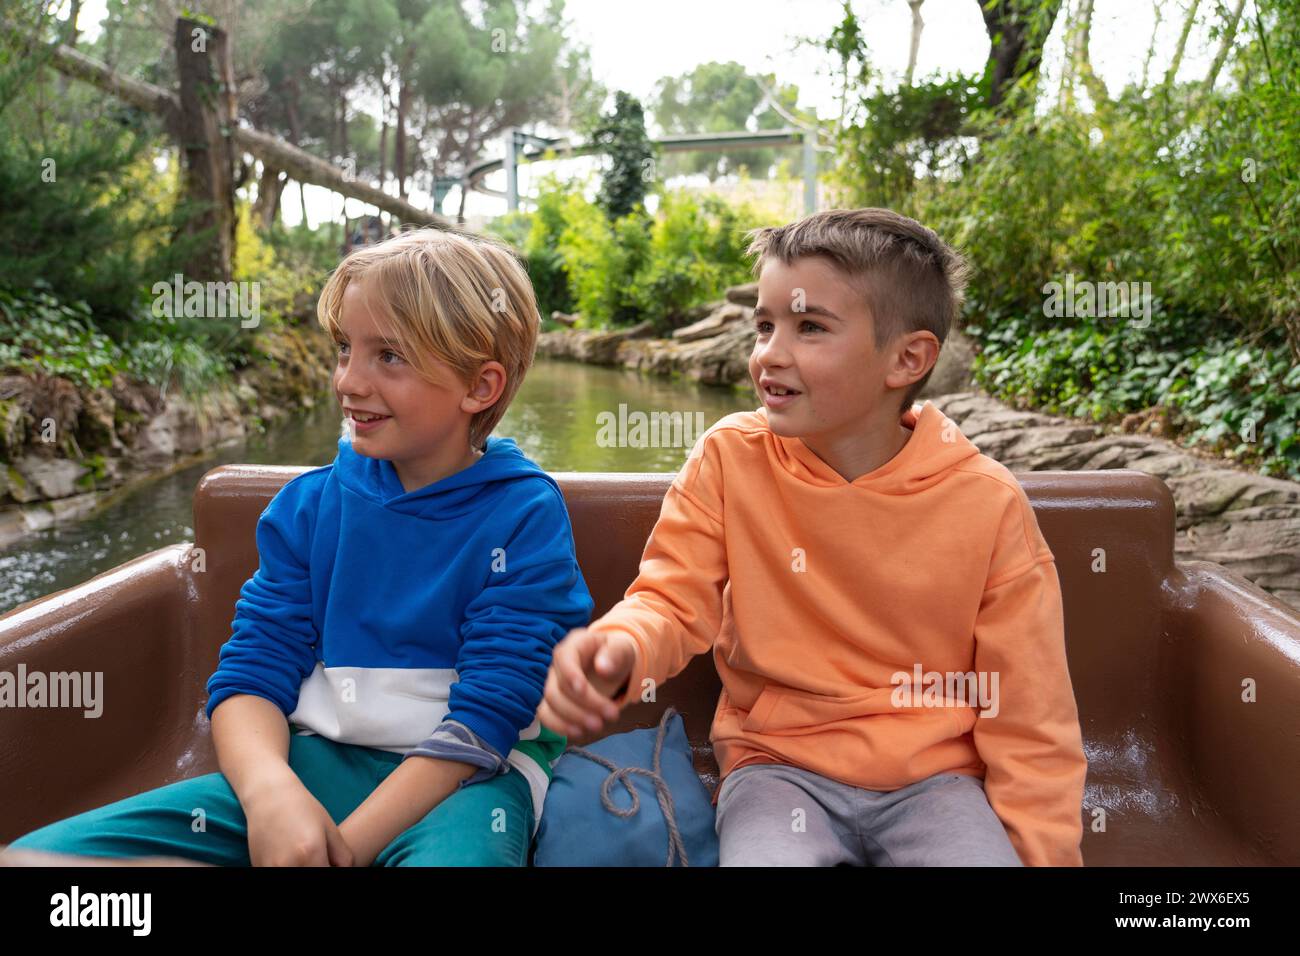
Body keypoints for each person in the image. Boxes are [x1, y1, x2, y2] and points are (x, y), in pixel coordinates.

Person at [7, 228, 593, 866]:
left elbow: (489, 714)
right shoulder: (307, 509)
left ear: (479, 388)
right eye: (345, 348)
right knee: (44, 859)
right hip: (313, 766)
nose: (348, 380)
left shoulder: (523, 514)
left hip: (468, 781)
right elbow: (251, 677)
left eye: (388, 356)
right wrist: (270, 795)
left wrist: (341, 851)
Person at [538, 207, 1088, 867]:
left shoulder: (988, 505)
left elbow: (1031, 716)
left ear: (907, 358)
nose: (770, 353)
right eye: (765, 325)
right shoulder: (729, 459)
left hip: (938, 782)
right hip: (777, 769)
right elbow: (672, 601)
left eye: (810, 328)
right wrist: (620, 649)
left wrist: (1044, 857)